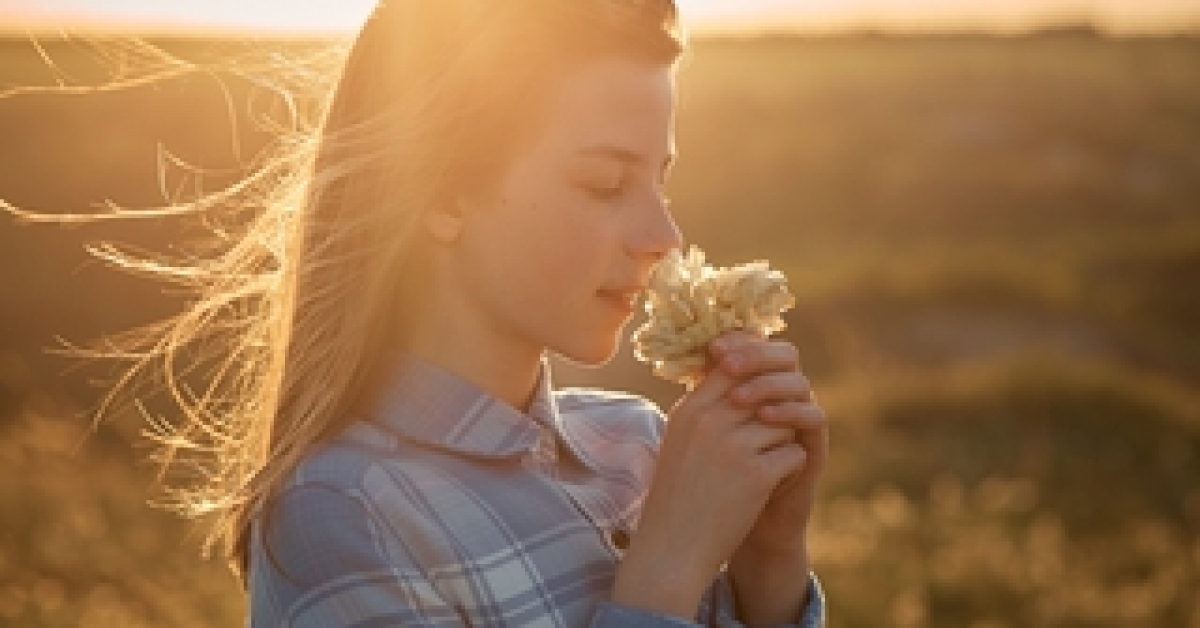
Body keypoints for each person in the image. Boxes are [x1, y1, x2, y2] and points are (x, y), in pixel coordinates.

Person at [18, 0, 828, 625]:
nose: (663, 234)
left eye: (662, 180)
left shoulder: (638, 443)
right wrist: (669, 567)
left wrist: (768, 563)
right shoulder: (341, 516)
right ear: (443, 191)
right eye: (605, 185)